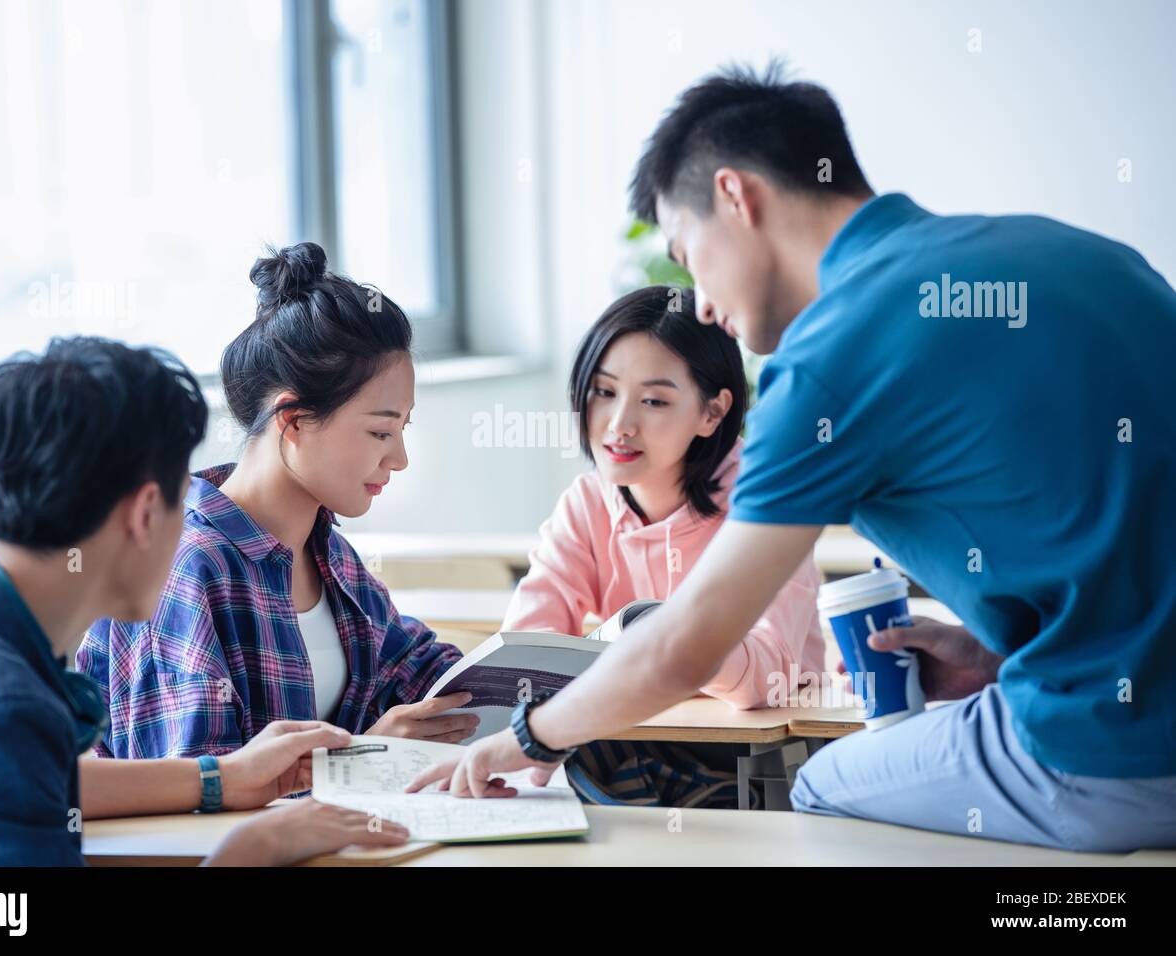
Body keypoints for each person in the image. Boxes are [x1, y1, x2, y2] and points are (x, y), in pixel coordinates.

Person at [408, 62, 1176, 853]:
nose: (700, 300)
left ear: (736, 199)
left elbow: (687, 644)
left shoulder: (824, 362)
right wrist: (995, 652)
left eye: (687, 250)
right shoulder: (1083, 256)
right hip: (1125, 710)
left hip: (1111, 753)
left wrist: (530, 739)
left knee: (819, 790)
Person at [0, 337, 408, 865]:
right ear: (146, 513)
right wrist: (255, 849)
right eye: (184, 499)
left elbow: (52, 778)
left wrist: (221, 779)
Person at [77, 242, 475, 759]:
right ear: (293, 420)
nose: (399, 459)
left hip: (335, 836)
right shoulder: (187, 567)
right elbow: (199, 795)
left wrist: (545, 678)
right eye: (381, 433)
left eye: (403, 428)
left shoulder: (330, 555)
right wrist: (367, 753)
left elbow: (420, 673)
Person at [502, 284, 822, 806]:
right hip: (638, 740)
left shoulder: (765, 502)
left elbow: (770, 675)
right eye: (604, 392)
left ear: (713, 413)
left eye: (653, 401)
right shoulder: (588, 503)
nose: (619, 425)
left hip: (764, 758)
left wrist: (669, 643)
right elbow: (528, 646)